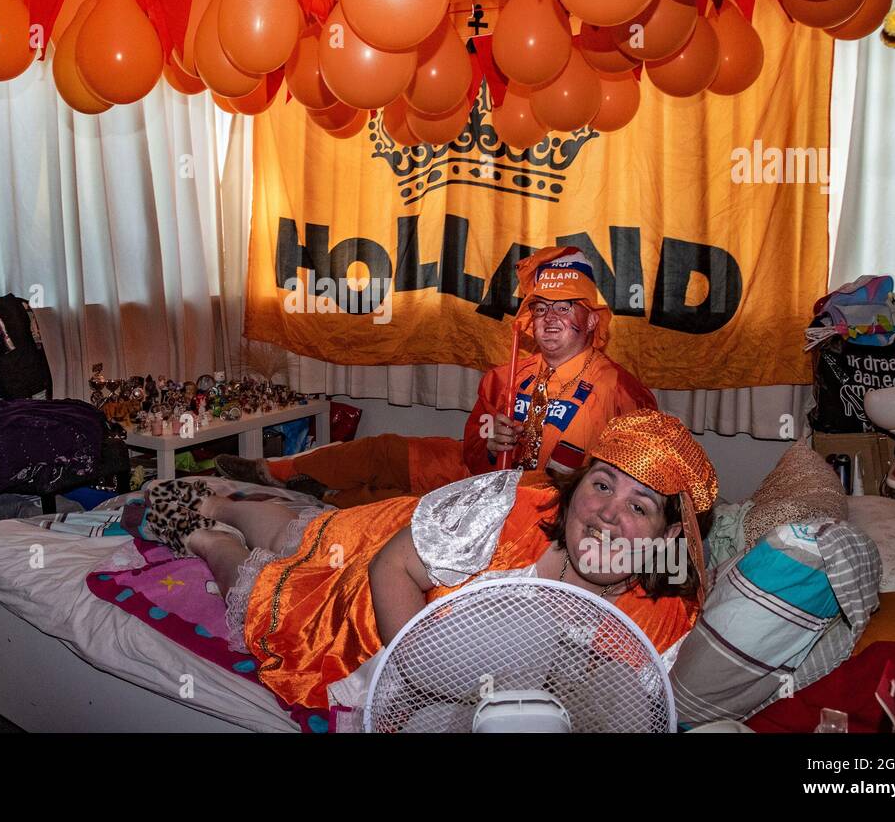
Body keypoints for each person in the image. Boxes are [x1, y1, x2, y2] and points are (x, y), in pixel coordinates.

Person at [139, 409, 716, 711]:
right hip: (400, 583)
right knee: (303, 552)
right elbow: (390, 568)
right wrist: (423, 676)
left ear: (667, 536)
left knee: (300, 549)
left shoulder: (659, 623)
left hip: (434, 609)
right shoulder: (509, 506)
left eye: (639, 505)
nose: (608, 514)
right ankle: (217, 513)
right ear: (574, 487)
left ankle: (216, 526)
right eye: (601, 485)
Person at [216, 247, 656, 508]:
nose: (549, 318)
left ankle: (324, 498)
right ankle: (272, 470)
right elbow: (472, 449)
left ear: (592, 321)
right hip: (473, 474)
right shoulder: (505, 378)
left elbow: (635, 482)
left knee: (402, 508)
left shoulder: (621, 392)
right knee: (383, 449)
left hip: (522, 507)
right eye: (540, 308)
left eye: (564, 308)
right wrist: (491, 445)